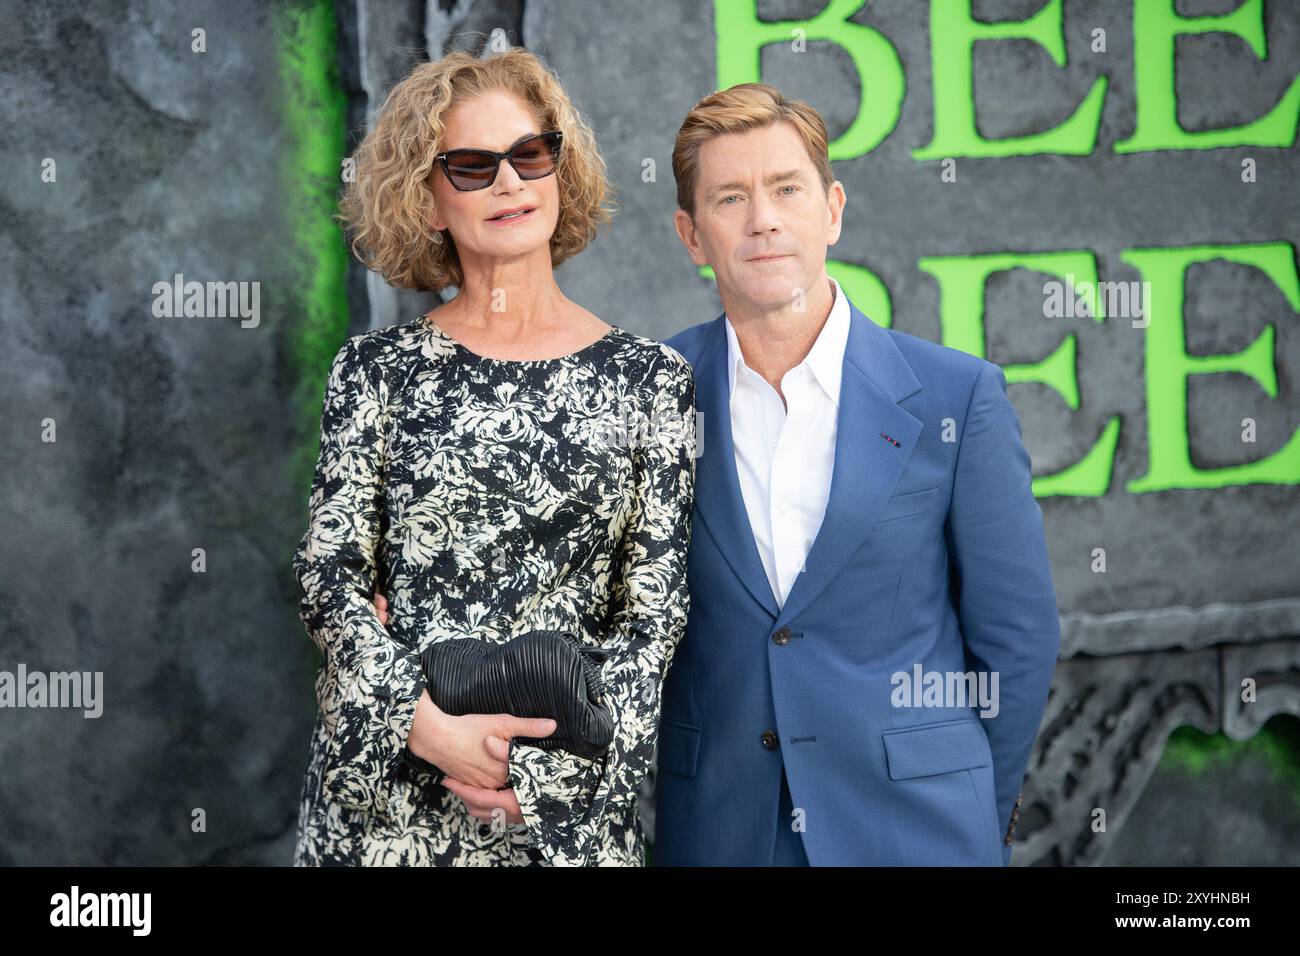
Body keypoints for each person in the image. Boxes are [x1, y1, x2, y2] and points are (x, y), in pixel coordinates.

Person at [290, 47, 696, 866]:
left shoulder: (652, 381)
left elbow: (653, 618)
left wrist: (539, 781)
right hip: (386, 811)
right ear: (428, 201)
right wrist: (426, 727)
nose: (509, 183)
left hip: (568, 823)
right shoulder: (375, 373)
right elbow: (328, 578)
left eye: (529, 154)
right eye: (471, 167)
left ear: (559, 167)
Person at [653, 83, 1060, 866]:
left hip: (918, 830)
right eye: (730, 197)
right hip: (726, 831)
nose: (762, 218)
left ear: (831, 210)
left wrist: (975, 802)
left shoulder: (955, 394)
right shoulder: (652, 392)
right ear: (692, 236)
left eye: (786, 189)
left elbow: (1018, 634)